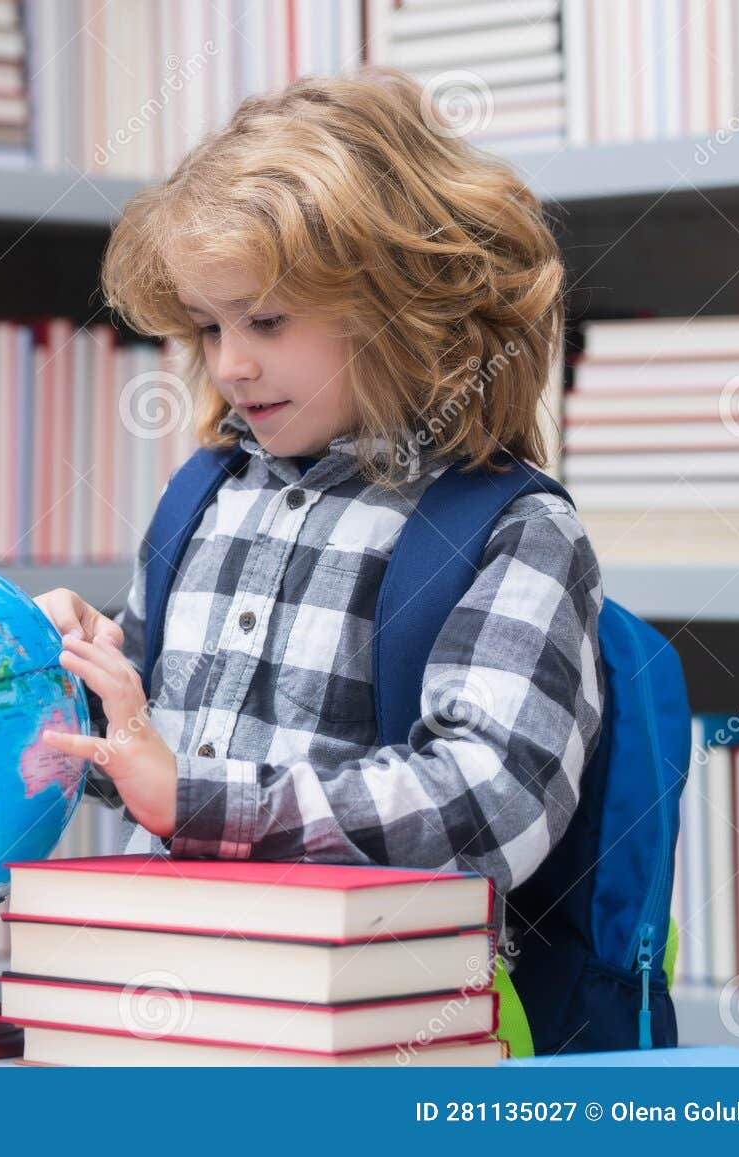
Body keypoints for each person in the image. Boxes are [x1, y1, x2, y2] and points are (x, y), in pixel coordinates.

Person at [33, 67, 600, 980]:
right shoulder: (204, 497)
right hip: (153, 990)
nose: (232, 366)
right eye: (209, 327)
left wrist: (200, 800)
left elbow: (493, 801)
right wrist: (73, 682)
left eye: (265, 319)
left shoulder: (512, 529)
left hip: (369, 1022)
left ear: (409, 307)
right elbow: (137, 756)